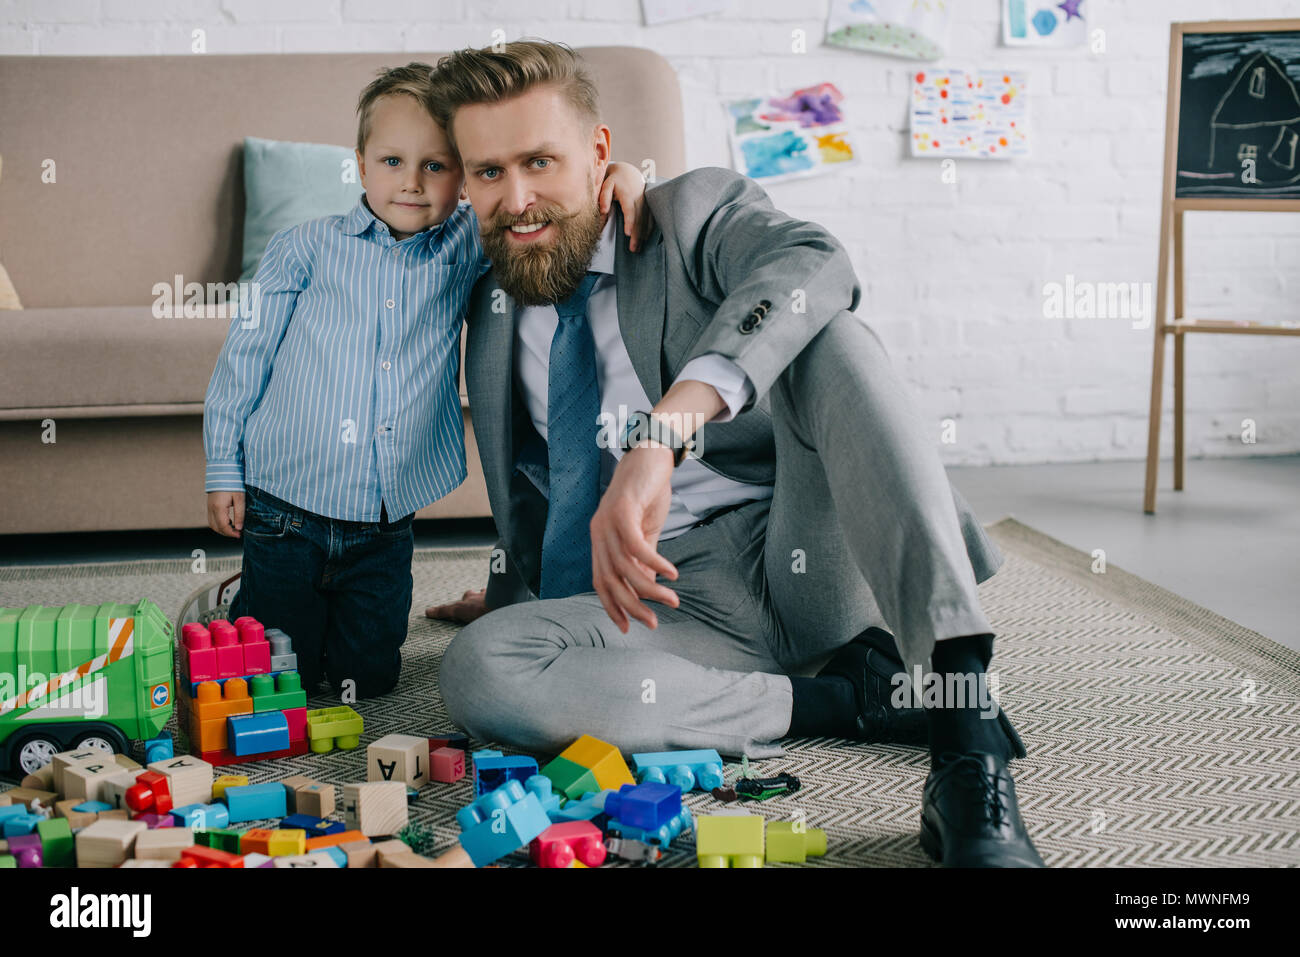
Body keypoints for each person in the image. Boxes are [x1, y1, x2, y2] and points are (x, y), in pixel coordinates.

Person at [426, 40, 1043, 866]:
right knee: (479, 672)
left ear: (600, 153)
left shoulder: (688, 215)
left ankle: (965, 737)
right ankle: (845, 698)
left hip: (803, 544)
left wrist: (664, 432)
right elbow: (541, 476)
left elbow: (815, 266)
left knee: (830, 339)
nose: (519, 197)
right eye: (488, 172)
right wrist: (515, 584)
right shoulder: (490, 297)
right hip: (670, 597)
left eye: (540, 161)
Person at [203, 61, 649, 700]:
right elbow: (243, 360)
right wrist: (224, 465)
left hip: (386, 518)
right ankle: (240, 613)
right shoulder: (304, 247)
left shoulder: (465, 243)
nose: (411, 184)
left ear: (464, 180)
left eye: (436, 166)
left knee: (371, 677)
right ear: (360, 164)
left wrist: (620, 176)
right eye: (391, 162)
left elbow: (540, 208)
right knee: (282, 677)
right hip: (285, 503)